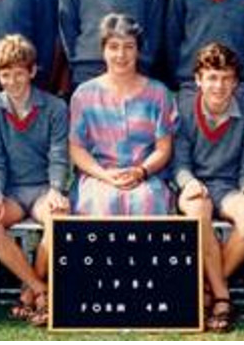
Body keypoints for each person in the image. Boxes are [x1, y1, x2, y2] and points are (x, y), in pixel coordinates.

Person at [0, 35, 71, 328]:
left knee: (58, 218)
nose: (13, 81)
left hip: (43, 187)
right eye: (5, 75)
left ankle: (28, 293)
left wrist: (56, 189)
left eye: (19, 73)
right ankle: (39, 288)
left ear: (32, 71)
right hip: (12, 192)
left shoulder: (54, 107)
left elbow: (58, 155)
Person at [172, 43, 244, 332]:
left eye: (226, 78)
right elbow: (179, 164)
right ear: (198, 79)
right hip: (194, 185)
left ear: (236, 82)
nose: (219, 85)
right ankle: (223, 297)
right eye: (212, 77)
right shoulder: (183, 111)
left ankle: (205, 289)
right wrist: (189, 183)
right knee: (200, 206)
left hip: (228, 187)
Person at [68, 13, 176, 216]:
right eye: (114, 47)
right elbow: (77, 150)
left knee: (146, 200)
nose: (121, 55)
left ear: (138, 50)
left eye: (128, 47)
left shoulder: (158, 93)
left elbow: (163, 148)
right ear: (103, 50)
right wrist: (106, 176)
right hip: (98, 177)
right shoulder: (83, 95)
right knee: (103, 202)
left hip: (145, 176)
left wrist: (140, 171)